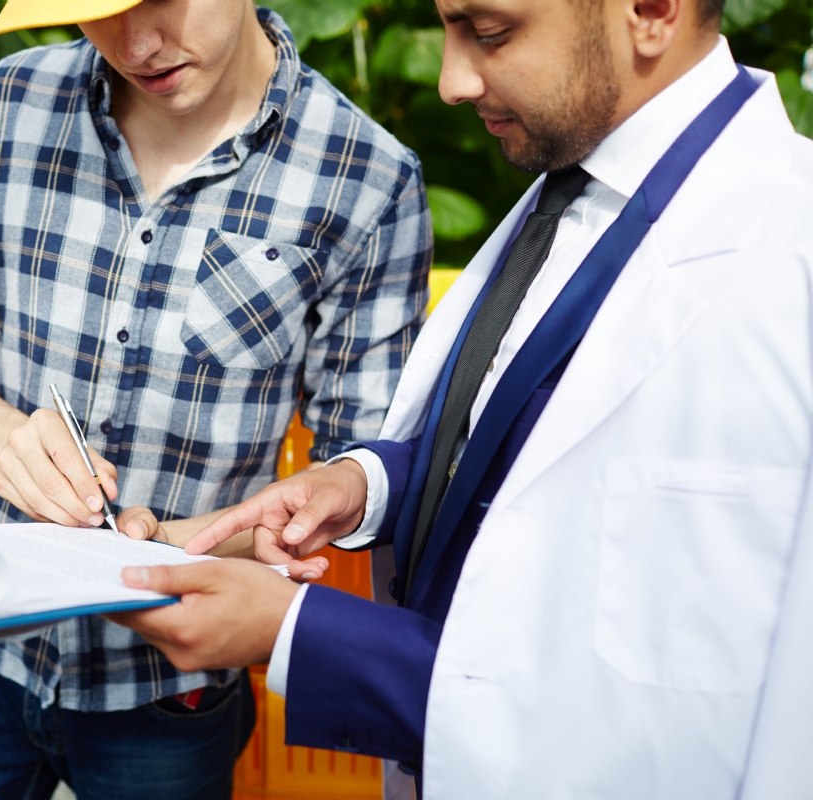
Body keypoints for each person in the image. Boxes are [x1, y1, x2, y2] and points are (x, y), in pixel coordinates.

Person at [110, 0, 813, 796]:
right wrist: (367, 485)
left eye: (489, 33)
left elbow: (669, 711)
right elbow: (529, 454)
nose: (450, 81)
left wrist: (293, 631)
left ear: (650, 11)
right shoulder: (576, 192)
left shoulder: (786, 269)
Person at [0, 0, 431, 796]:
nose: (136, 45)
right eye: (97, 11)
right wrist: (5, 438)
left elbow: (356, 470)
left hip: (168, 688)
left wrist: (186, 543)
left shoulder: (365, 178)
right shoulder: (5, 103)